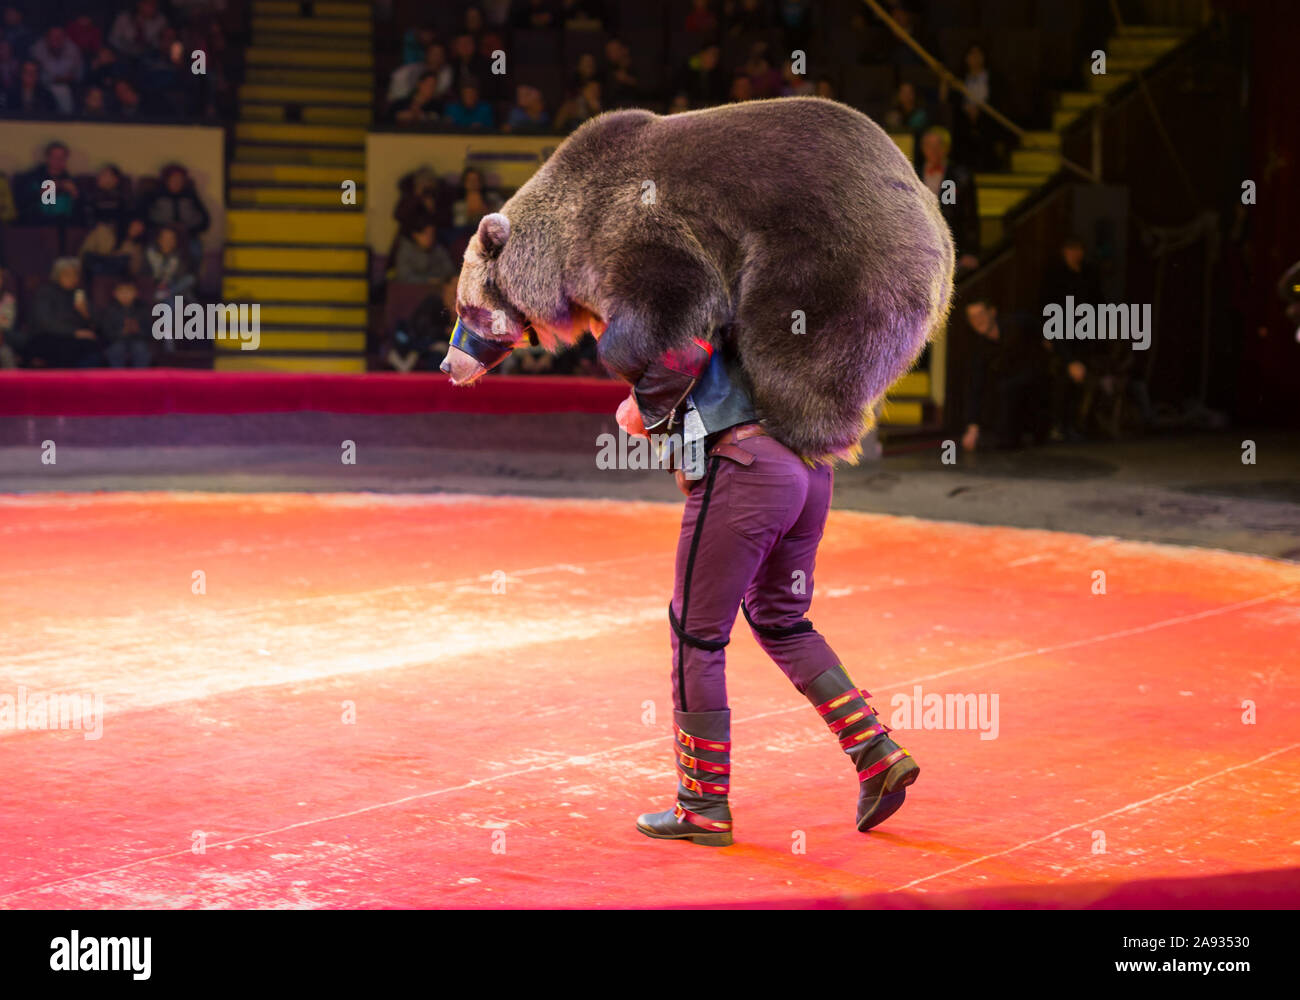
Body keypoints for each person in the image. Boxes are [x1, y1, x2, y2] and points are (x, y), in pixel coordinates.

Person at [960, 298, 1048, 451]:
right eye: (972, 317)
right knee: (1003, 389)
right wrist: (972, 428)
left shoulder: (1016, 323)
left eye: (980, 314)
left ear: (992, 312)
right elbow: (976, 387)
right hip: (1012, 386)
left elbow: (1040, 326)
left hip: (1037, 377)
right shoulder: (980, 350)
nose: (977, 320)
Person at [1040, 236, 1104, 440]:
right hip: (1060, 329)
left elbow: (1097, 302)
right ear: (1064, 251)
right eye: (1071, 249)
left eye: (1078, 249)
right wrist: (1047, 333)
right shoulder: (1055, 276)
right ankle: (1059, 424)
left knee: (1084, 377)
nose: (1075, 254)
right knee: (1063, 376)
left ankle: (1079, 424)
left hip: (1084, 330)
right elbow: (1045, 305)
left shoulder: (1089, 273)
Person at [918, 125, 979, 272]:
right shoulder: (914, 175)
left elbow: (966, 215)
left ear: (946, 148)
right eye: (929, 145)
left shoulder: (956, 177)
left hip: (950, 249)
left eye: (938, 145)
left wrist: (970, 252)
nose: (933, 150)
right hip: (920, 250)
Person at [26, 258, 100, 367]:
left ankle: (85, 382)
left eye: (75, 275)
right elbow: (45, 322)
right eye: (67, 275)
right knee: (67, 347)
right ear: (57, 276)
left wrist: (85, 313)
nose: (72, 278)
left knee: (92, 346)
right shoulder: (45, 293)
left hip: (76, 339)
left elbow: (97, 324)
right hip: (48, 337)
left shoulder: (79, 294)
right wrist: (74, 333)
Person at [143, 165, 209, 262]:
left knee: (195, 253)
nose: (176, 183)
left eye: (180, 180)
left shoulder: (190, 195)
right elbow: (145, 215)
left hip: (188, 234)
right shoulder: (155, 194)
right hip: (162, 235)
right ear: (166, 180)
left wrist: (193, 229)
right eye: (173, 179)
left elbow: (205, 218)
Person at [15, 141, 80, 225]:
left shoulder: (69, 180)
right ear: (47, 158)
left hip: (65, 224)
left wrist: (75, 194)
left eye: (62, 158)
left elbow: (79, 210)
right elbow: (22, 203)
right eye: (55, 157)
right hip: (38, 224)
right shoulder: (33, 177)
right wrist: (42, 192)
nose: (58, 161)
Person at [99, 278, 152, 367]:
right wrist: (122, 331)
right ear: (115, 294)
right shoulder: (110, 310)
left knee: (140, 349)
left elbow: (150, 330)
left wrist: (137, 330)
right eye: (121, 291)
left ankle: (140, 379)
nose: (125, 295)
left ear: (136, 293)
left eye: (129, 291)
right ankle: (118, 379)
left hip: (138, 340)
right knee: (116, 350)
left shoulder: (143, 308)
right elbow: (105, 332)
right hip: (116, 341)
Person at [392, 221, 456, 284]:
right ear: (415, 234)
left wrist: (440, 279)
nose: (429, 237)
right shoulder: (405, 251)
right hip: (411, 290)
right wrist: (428, 280)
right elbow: (404, 277)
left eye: (432, 234)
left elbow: (449, 270)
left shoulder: (438, 249)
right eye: (425, 233)